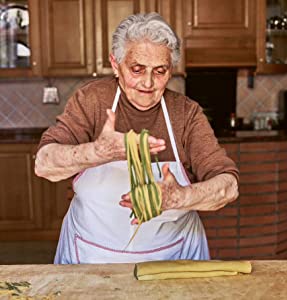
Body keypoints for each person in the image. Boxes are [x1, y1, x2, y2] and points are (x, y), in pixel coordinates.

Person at [35, 12, 239, 264]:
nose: (148, 82)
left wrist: (179, 198)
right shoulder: (92, 102)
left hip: (173, 255)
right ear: (115, 64)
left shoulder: (185, 113)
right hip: (92, 254)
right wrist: (96, 153)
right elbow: (44, 163)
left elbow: (229, 186)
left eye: (160, 71)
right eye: (137, 69)